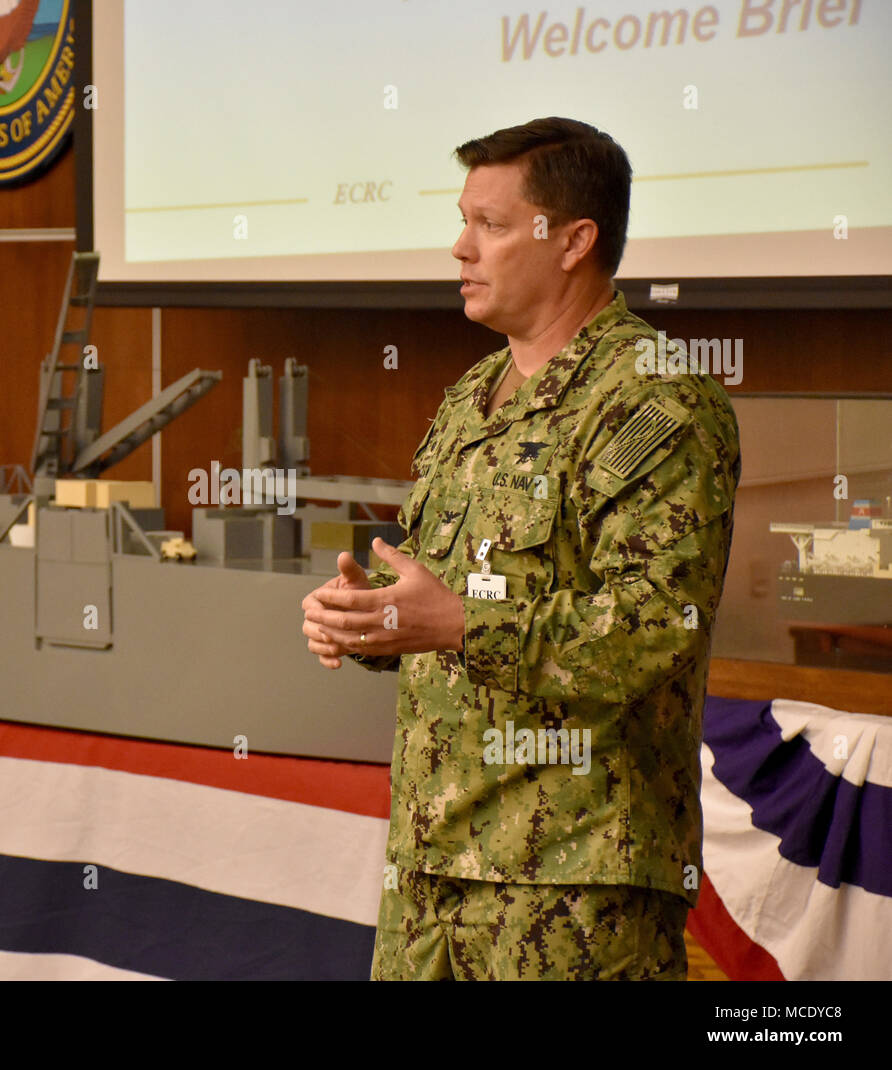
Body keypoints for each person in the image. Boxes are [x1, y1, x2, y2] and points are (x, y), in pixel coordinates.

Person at [301, 117, 740, 980]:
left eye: (490, 226)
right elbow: (442, 600)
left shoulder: (657, 402)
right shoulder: (472, 398)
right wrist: (374, 621)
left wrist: (460, 623)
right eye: (463, 220)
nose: (460, 248)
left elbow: (654, 630)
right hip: (430, 876)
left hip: (572, 888)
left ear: (574, 240)